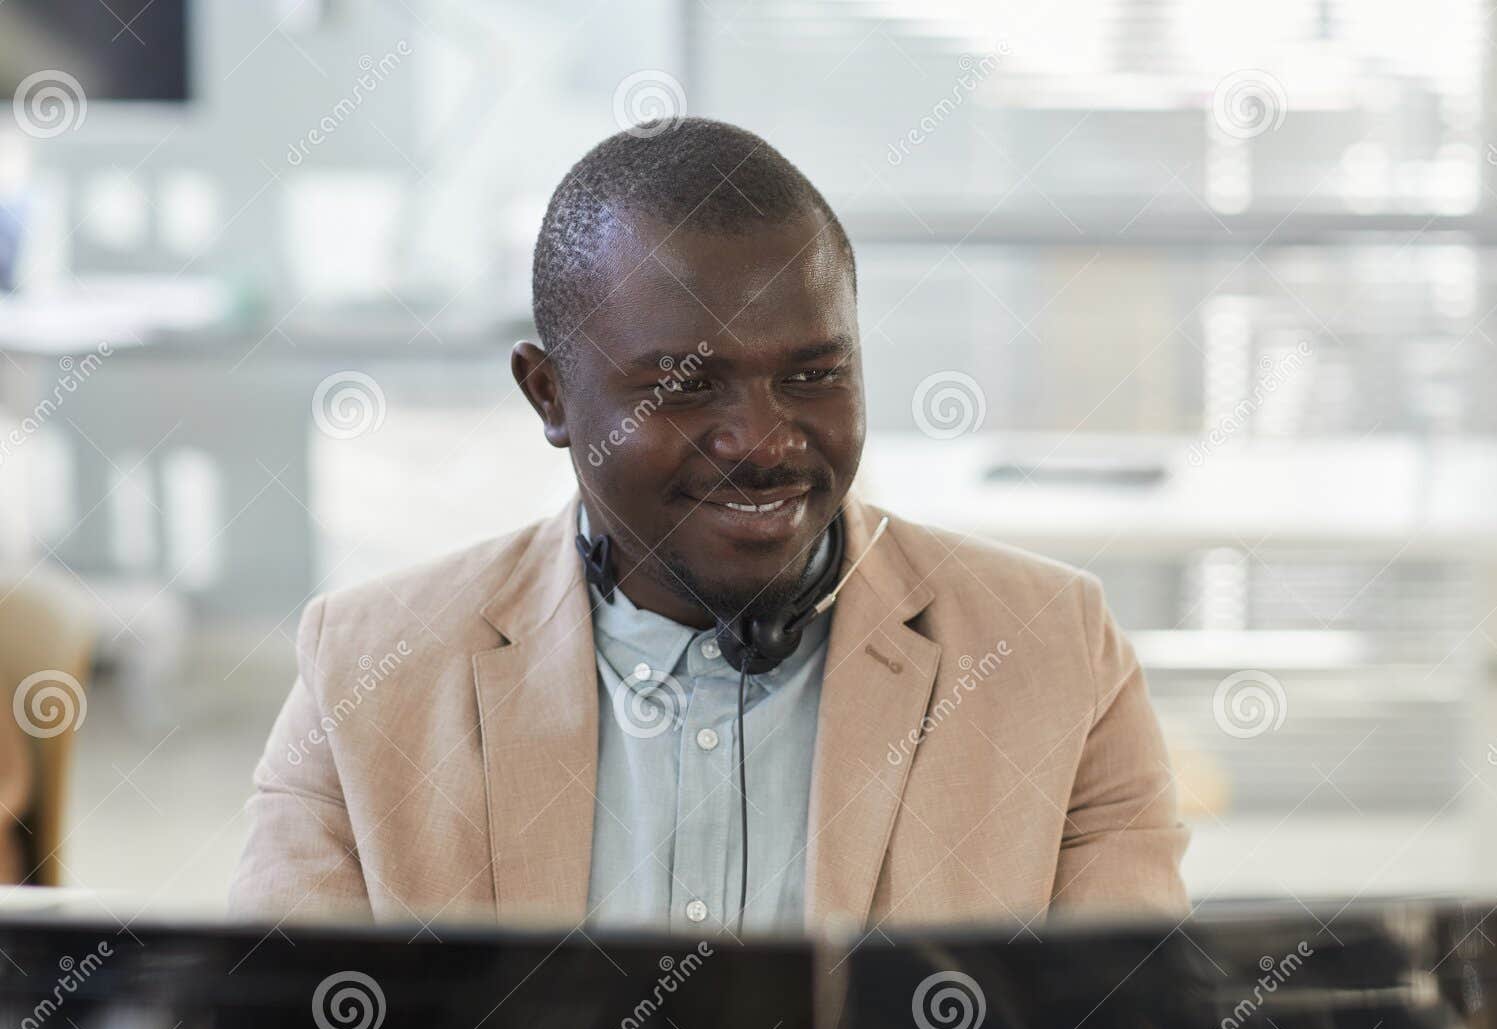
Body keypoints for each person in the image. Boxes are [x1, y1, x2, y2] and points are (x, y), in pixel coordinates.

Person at [229, 118, 1188, 935]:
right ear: (550, 395)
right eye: (685, 387)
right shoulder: (367, 673)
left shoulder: (1054, 651)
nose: (764, 441)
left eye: (813, 375)